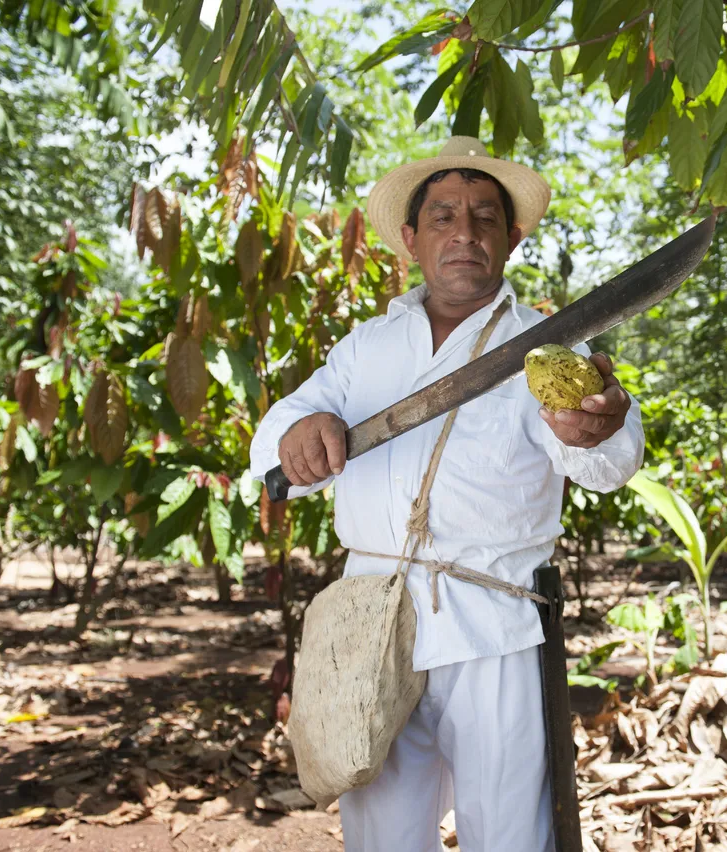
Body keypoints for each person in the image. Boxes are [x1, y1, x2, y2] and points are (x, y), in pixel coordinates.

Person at [249, 135, 645, 851]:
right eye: (443, 216)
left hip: (491, 621)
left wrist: (596, 431)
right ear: (410, 238)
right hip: (370, 623)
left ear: (512, 237)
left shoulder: (551, 347)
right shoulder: (364, 348)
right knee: (383, 834)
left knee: (511, 835)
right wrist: (297, 434)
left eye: (485, 217)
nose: (465, 232)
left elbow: (611, 460)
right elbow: (277, 436)